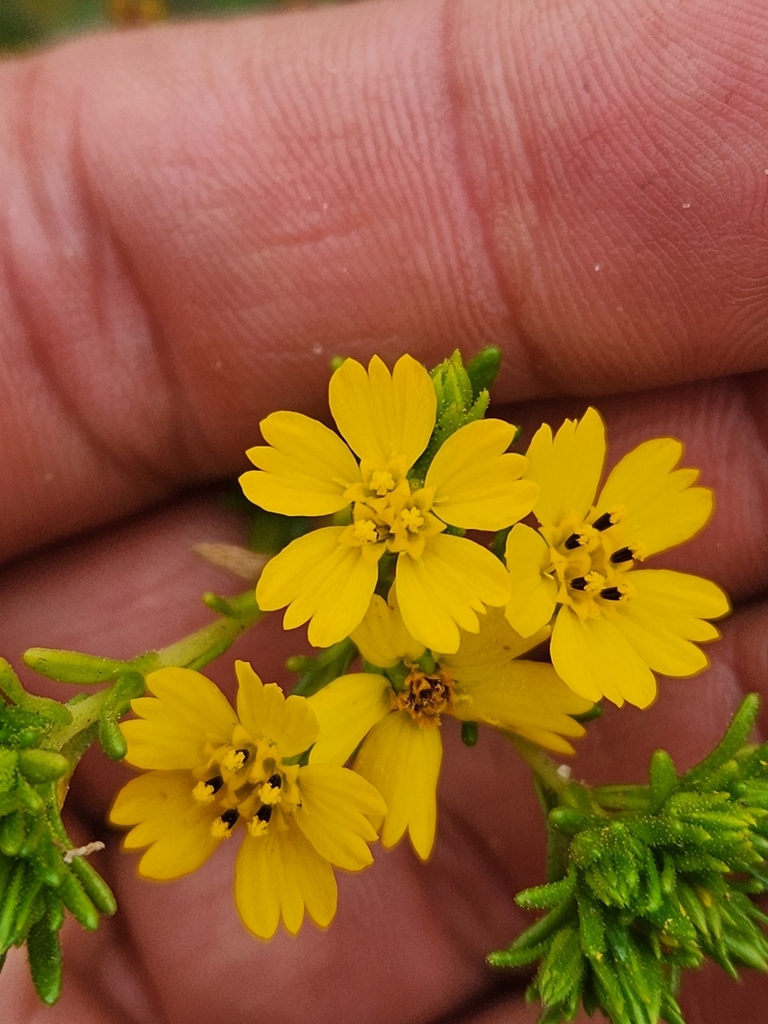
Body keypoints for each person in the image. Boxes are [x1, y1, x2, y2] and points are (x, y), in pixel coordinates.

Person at [0, 0, 766, 1019]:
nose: (248, 782)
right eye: (251, 789)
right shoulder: (377, 661)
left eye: (246, 788)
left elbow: (450, 649)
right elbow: (392, 647)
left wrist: (435, 657)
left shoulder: (442, 630)